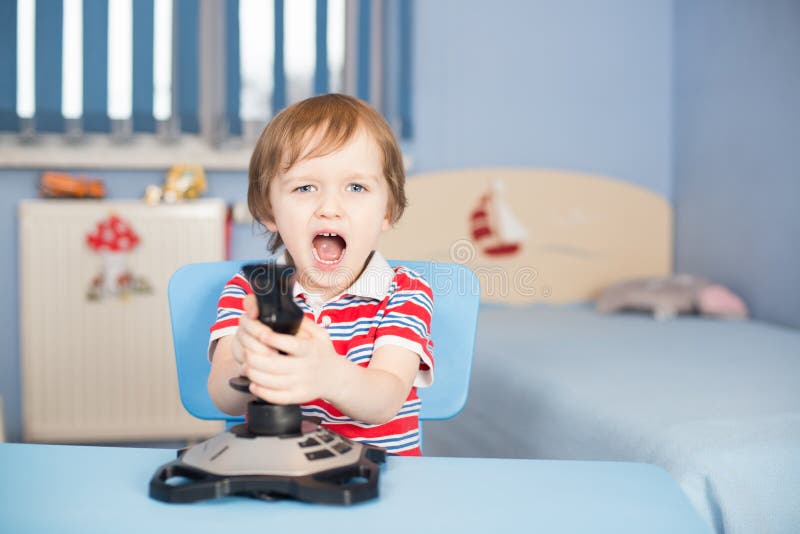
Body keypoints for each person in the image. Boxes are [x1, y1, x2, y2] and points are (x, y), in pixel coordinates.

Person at [207, 94, 434, 456]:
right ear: (269, 211)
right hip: (277, 472)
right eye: (305, 187)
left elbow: (384, 400)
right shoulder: (252, 292)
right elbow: (223, 397)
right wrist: (243, 352)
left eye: (356, 187)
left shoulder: (404, 293)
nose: (330, 209)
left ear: (387, 211)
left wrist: (329, 374)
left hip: (380, 484)